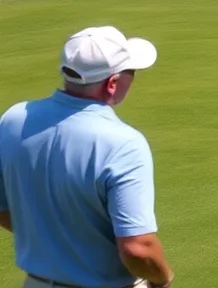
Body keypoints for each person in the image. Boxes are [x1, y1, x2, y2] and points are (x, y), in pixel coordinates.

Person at [0, 26, 175, 288]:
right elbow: (138, 249)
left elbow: (3, 209)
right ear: (112, 83)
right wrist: (162, 279)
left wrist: (57, 241)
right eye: (131, 72)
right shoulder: (124, 143)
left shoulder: (13, 118)